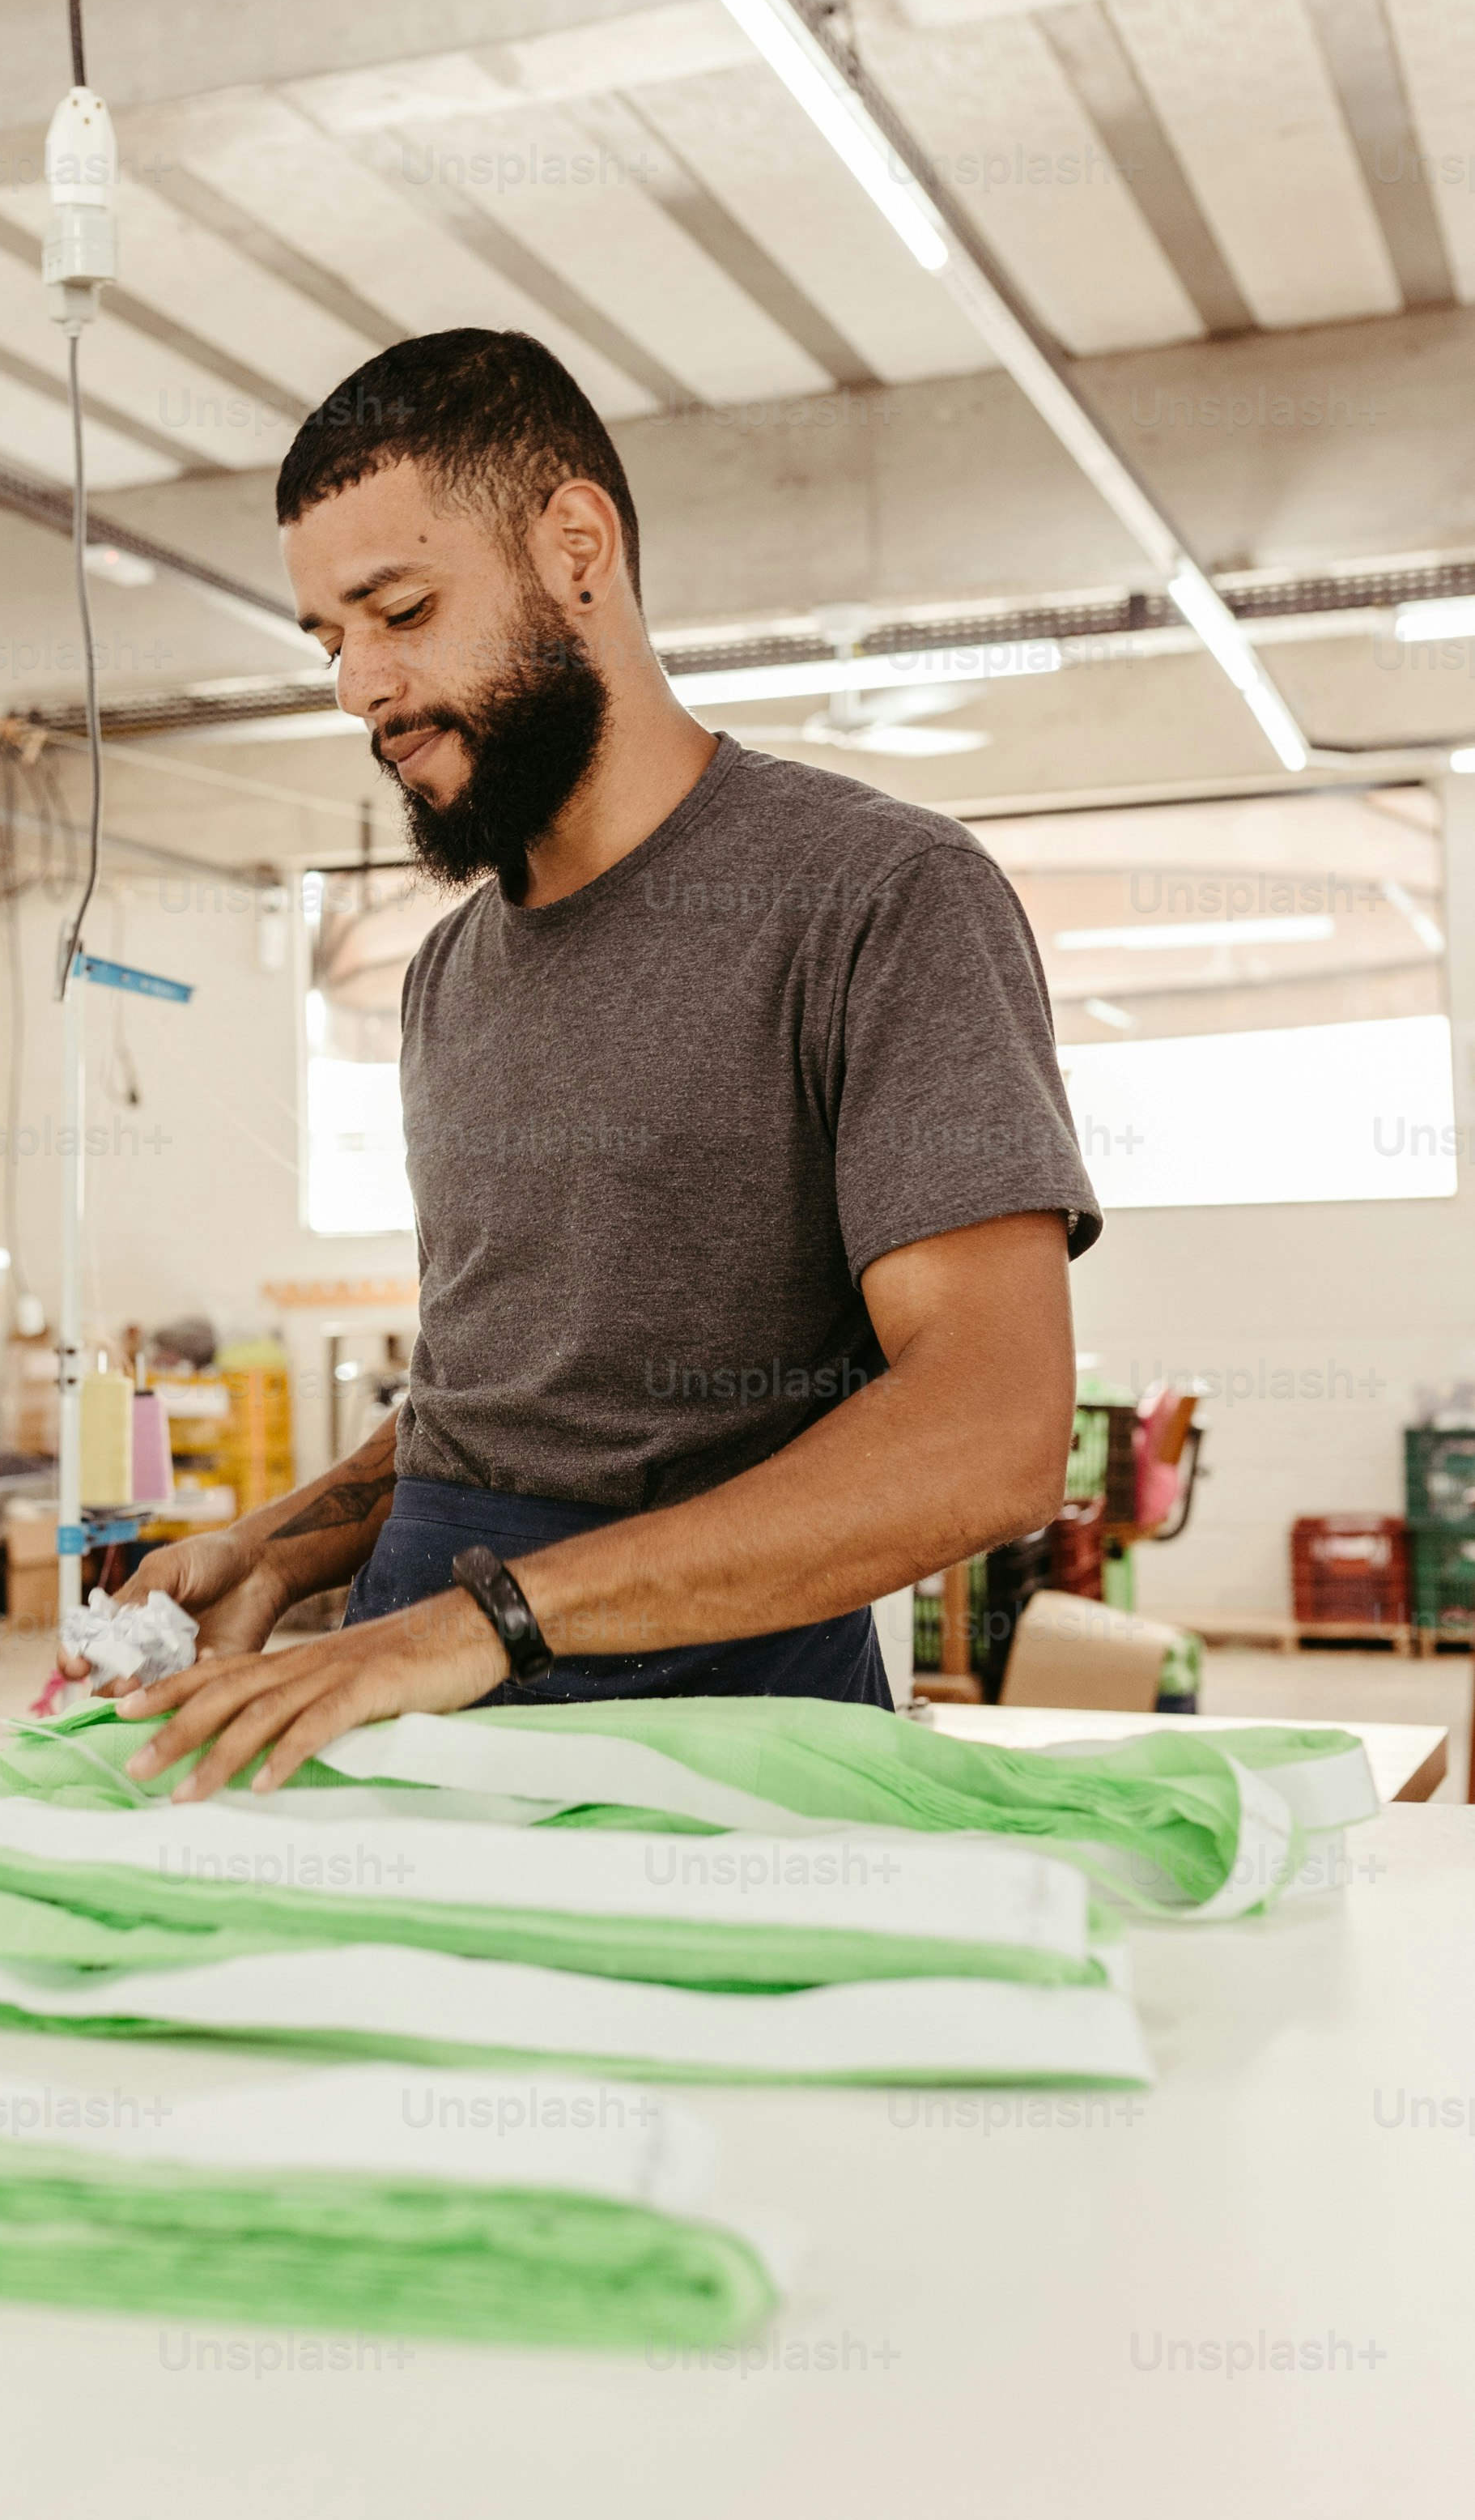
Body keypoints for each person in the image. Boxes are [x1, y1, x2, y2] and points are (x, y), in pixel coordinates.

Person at [87, 326, 1099, 1799]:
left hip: (730, 1750)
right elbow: (503, 1395)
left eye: (404, 610)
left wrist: (486, 1620)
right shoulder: (448, 973)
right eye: (330, 640)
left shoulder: (876, 899)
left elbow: (993, 1430)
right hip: (419, 1732)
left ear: (577, 547)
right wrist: (279, 1544)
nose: (359, 687)